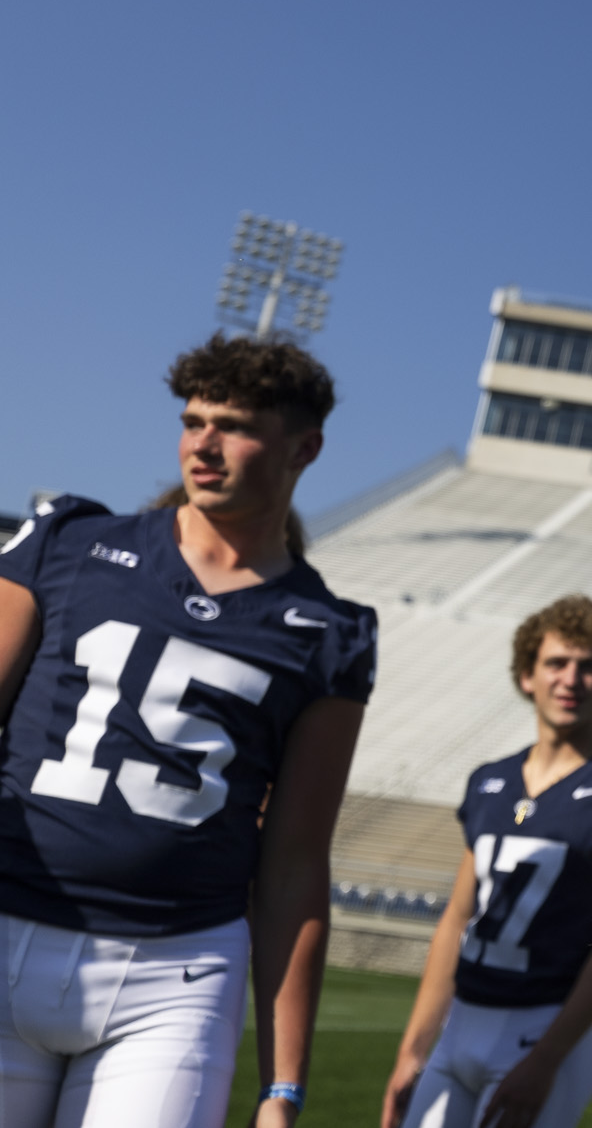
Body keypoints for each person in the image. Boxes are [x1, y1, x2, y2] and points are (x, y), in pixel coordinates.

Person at [0, 333, 376, 1127]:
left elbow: (294, 862)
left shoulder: (330, 632)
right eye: (193, 418)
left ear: (304, 446)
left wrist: (283, 1086)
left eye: (234, 424)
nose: (203, 443)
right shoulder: (68, 541)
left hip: (172, 968)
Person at [382, 596, 592, 1128]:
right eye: (556, 663)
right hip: (462, 1022)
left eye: (589, 666)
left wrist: (546, 1058)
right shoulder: (489, 781)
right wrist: (412, 1050)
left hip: (545, 1024)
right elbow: (456, 920)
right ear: (527, 676)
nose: (571, 679)